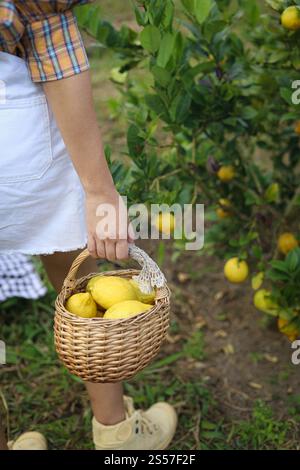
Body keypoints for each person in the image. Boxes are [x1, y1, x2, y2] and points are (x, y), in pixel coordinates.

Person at [0, 0, 177, 450]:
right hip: (12, 133)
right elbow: (49, 30)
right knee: (74, 271)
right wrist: (100, 191)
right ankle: (117, 432)